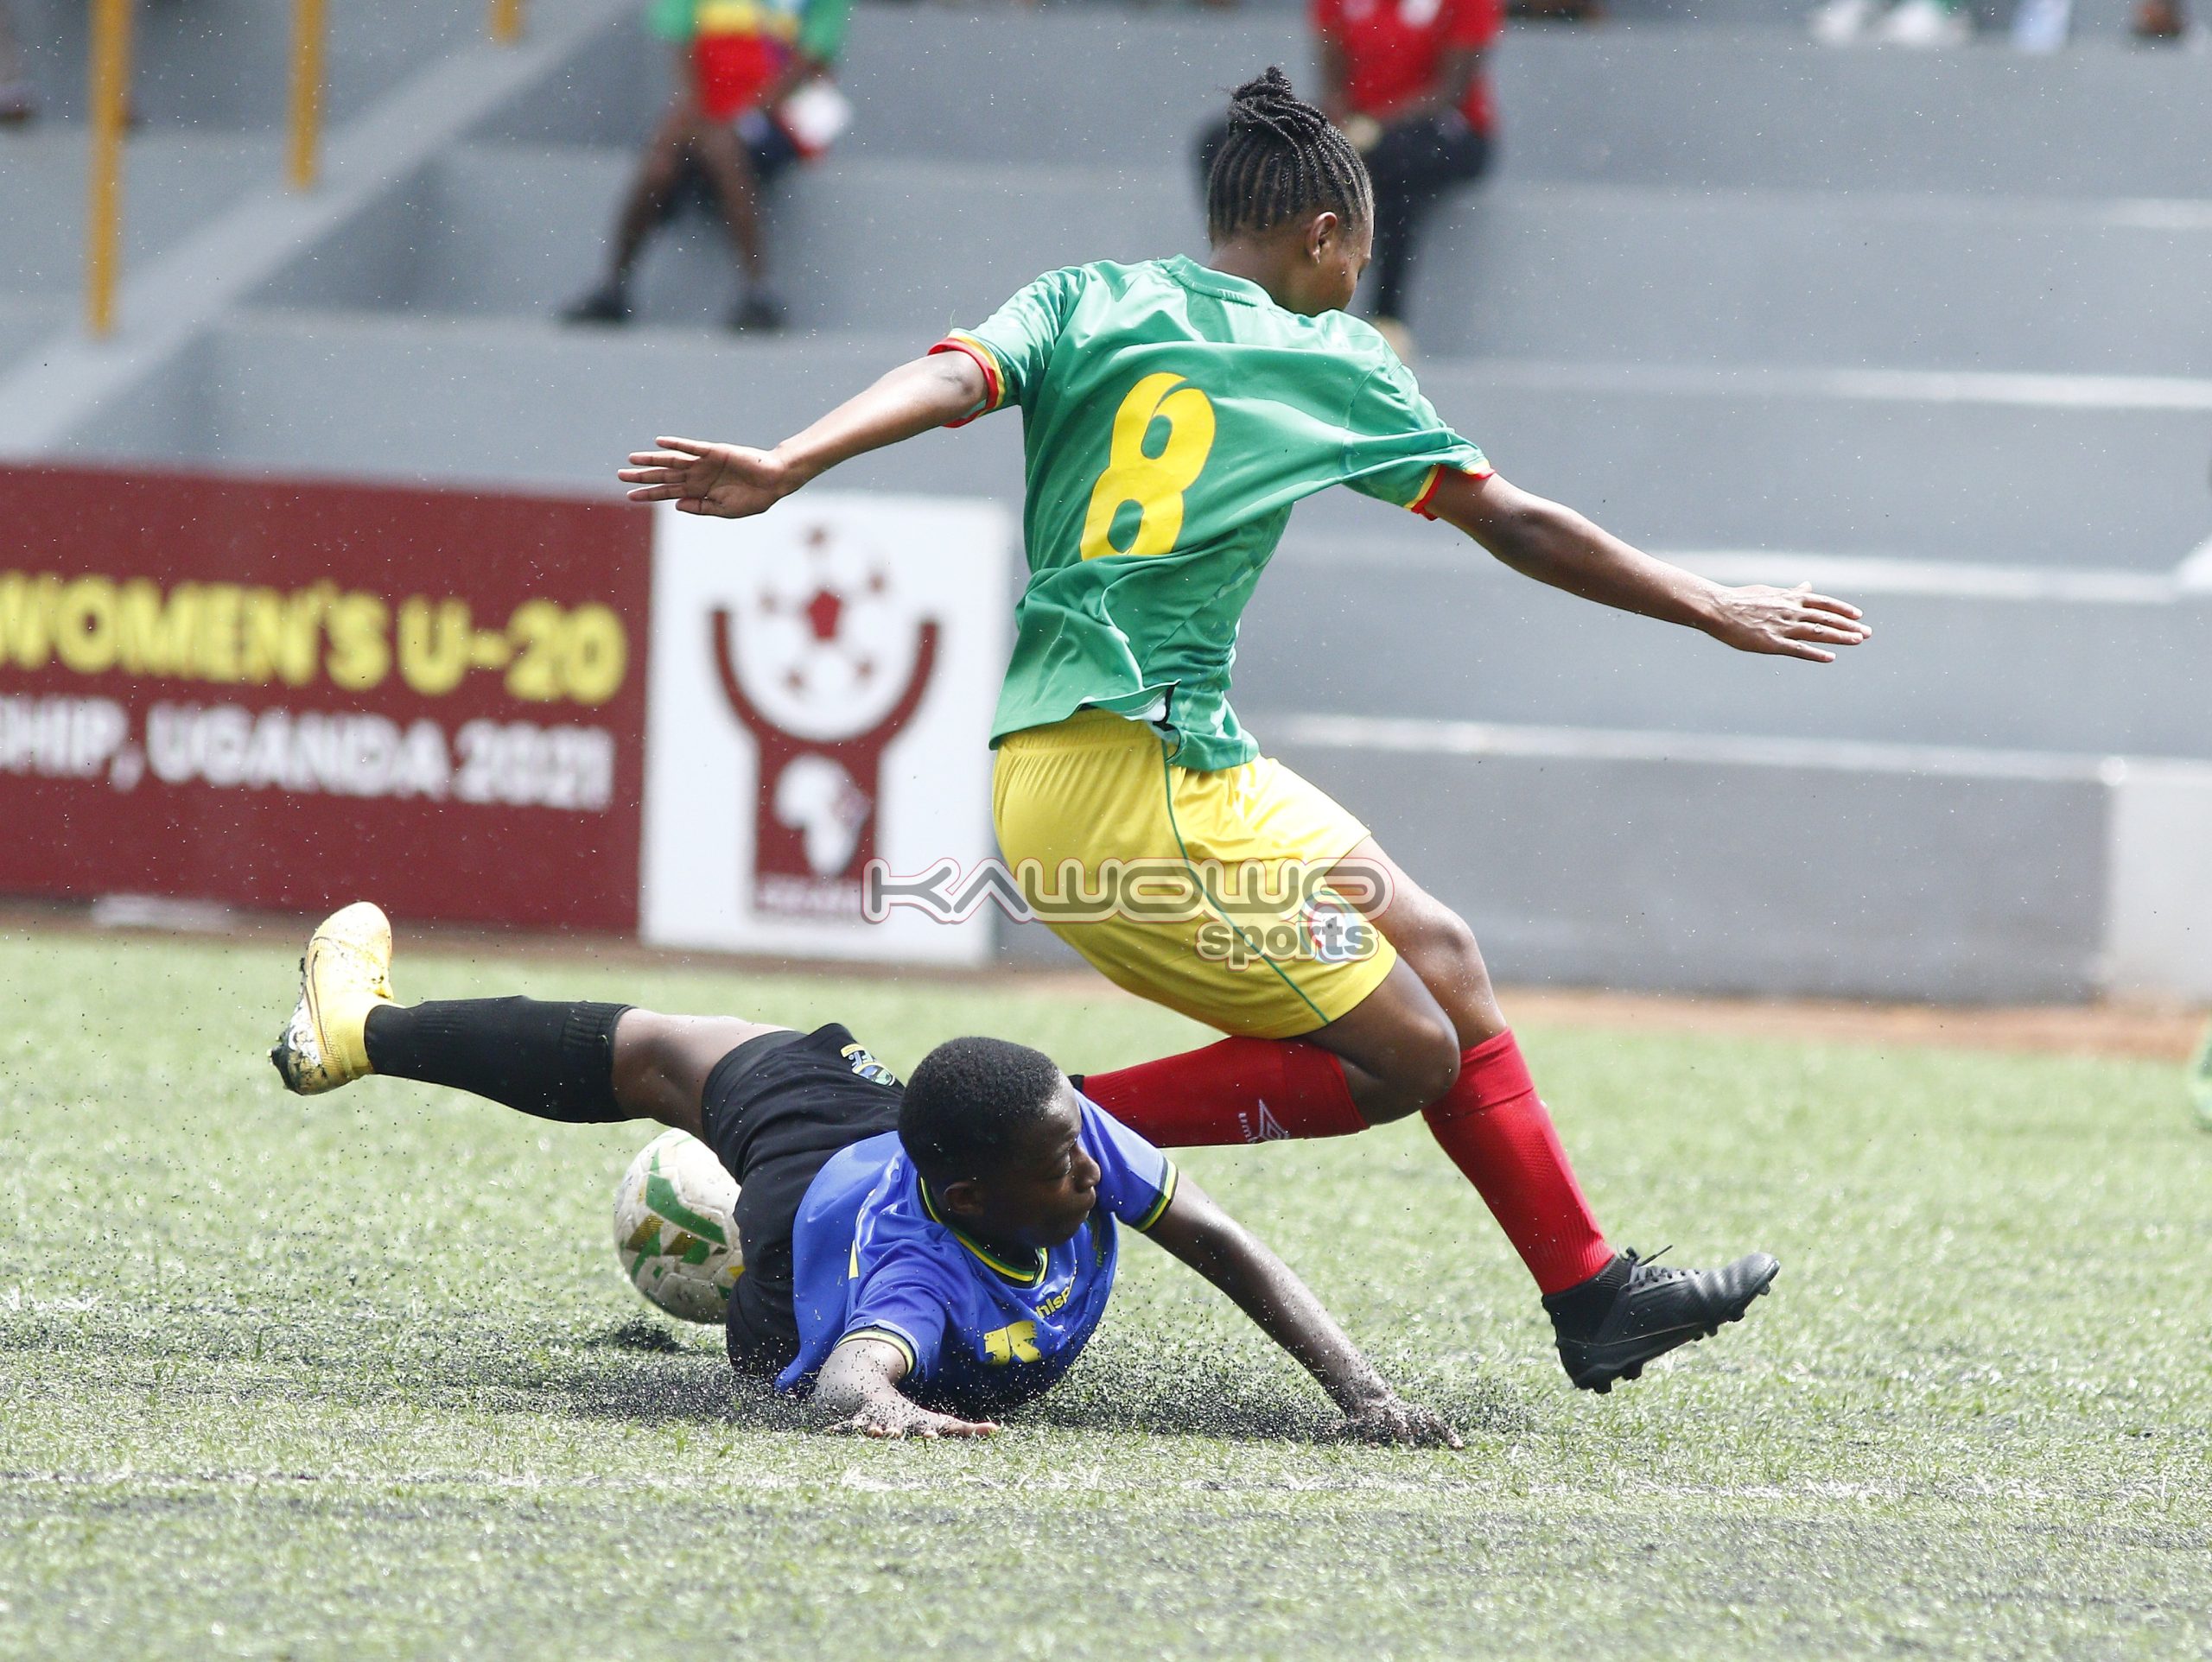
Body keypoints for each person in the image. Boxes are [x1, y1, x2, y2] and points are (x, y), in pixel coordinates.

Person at [620, 69, 1870, 1395]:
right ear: (1326, 234)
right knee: (1407, 1057)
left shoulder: (1081, 296)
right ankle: (1004, 1138)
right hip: (1132, 789)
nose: (1358, 281)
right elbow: (1516, 520)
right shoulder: (1335, 357)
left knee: (1440, 956)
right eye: (1362, 255)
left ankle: (1592, 1293)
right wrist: (1707, 604)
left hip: (1164, 765)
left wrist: (791, 462)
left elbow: (948, 381)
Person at [268, 903, 1463, 1443]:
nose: (1090, 1170)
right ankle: (356, 1033)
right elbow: (848, 1376)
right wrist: (895, 1417)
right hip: (797, 1239)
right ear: (973, 1200)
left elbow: (1224, 1240)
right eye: (1065, 1162)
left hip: (876, 1134)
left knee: (700, 1047)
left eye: (1077, 1143)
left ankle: (365, 1033)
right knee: (662, 1052)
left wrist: (1362, 1395)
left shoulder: (1053, 1145)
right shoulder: (917, 1269)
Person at [1196, 0, 1501, 347]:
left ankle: (1388, 321)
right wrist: (1343, 124)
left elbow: (1449, 92)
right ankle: (1244, 283)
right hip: (1360, 130)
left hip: (1442, 129)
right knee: (1226, 139)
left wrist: (1372, 128)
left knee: (1396, 162)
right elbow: (1333, 83)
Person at [565, 0, 853, 333]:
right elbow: (682, 42)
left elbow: (813, 58)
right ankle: (613, 288)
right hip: (708, 110)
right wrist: (697, 110)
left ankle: (758, 292)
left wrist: (746, 113)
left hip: (782, 118)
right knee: (661, 160)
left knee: (723, 148)